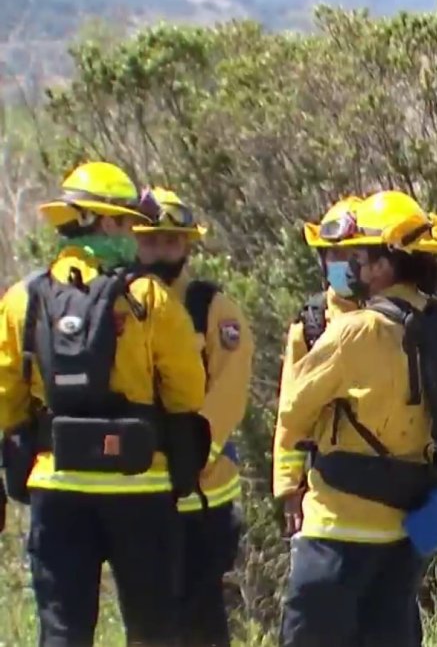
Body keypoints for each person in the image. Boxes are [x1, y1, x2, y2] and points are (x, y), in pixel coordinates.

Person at [0, 161, 208, 645]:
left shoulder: (22, 299)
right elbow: (188, 392)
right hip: (139, 484)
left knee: (63, 628)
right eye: (128, 222)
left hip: (57, 484)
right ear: (106, 222)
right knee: (151, 627)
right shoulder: (148, 297)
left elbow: (7, 399)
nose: (135, 234)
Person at [275, 190, 437, 646]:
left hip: (337, 529)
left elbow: (292, 409)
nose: (352, 266)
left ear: (383, 264)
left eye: (358, 255)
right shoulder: (436, 323)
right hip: (403, 532)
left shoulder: (357, 328)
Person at [133, 186, 255, 647]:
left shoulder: (211, 308)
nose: (159, 251)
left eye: (169, 241)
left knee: (202, 622)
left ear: (187, 245)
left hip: (204, 497)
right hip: (138, 496)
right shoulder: (121, 304)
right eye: (149, 241)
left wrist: (193, 451)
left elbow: (229, 391)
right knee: (147, 623)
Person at [273, 195, 364, 536]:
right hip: (326, 490)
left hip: (390, 491)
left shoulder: (396, 320)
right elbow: (290, 413)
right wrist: (289, 489)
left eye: (352, 254)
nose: (342, 263)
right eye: (333, 254)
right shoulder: (310, 327)